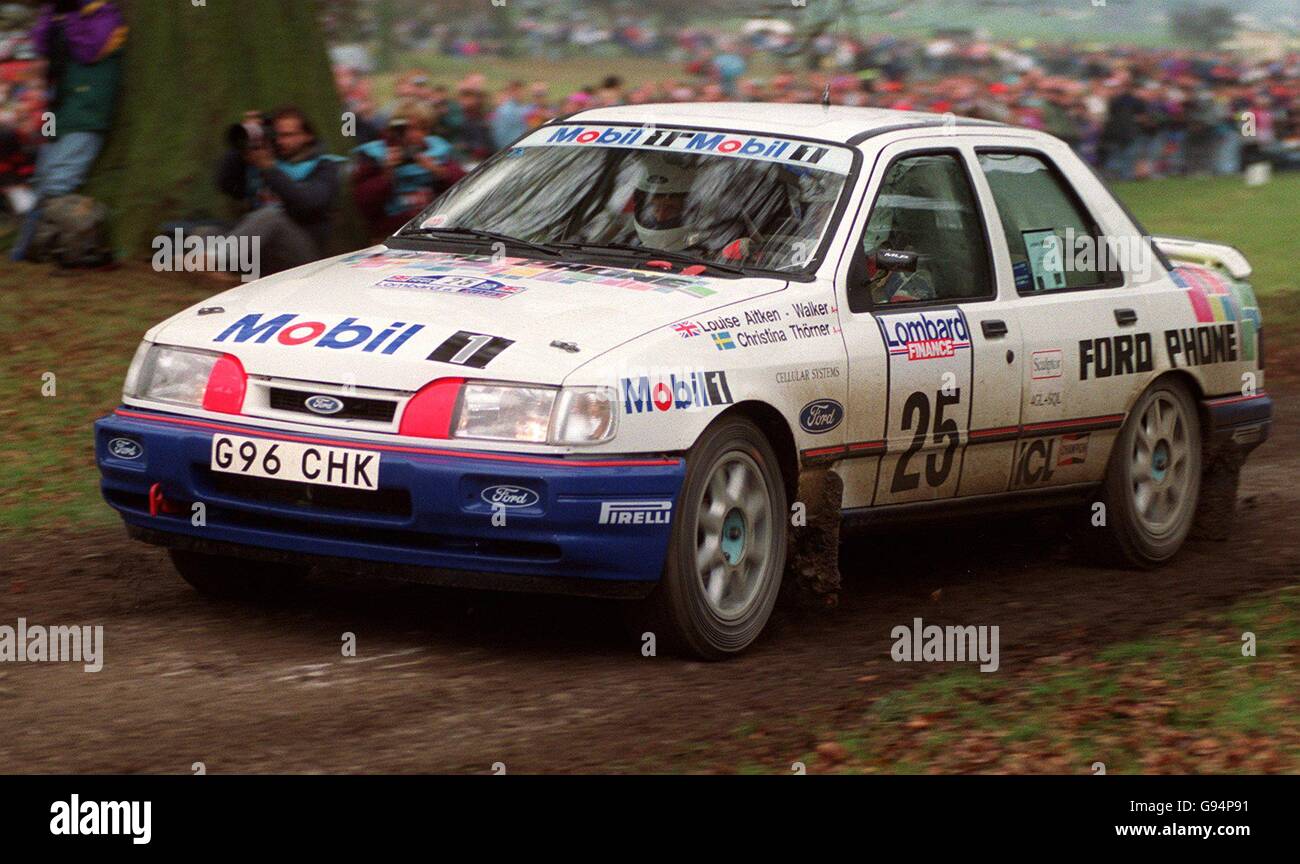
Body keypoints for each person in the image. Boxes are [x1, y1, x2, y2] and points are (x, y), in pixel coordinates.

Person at [11, 0, 126, 261]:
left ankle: (34, 248)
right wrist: (53, 13)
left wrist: (71, 14)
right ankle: (28, 247)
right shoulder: (58, 14)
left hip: (85, 116)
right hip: (54, 114)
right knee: (41, 179)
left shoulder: (104, 15)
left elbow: (90, 50)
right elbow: (40, 44)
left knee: (58, 183)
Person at [215, 106, 344, 276]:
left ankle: (214, 262)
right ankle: (216, 269)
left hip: (305, 255)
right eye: (277, 135)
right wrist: (243, 144)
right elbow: (226, 186)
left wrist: (269, 169)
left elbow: (308, 203)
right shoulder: (263, 162)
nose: (280, 141)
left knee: (271, 216)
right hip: (263, 251)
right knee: (208, 232)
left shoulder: (325, 166)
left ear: (308, 136)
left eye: (288, 135)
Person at [352, 101, 464, 239]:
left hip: (436, 229)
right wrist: (387, 172)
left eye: (420, 128)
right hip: (392, 232)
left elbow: (465, 187)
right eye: (407, 129)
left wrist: (437, 170)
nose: (412, 134)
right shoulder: (375, 154)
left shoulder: (439, 150)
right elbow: (364, 201)